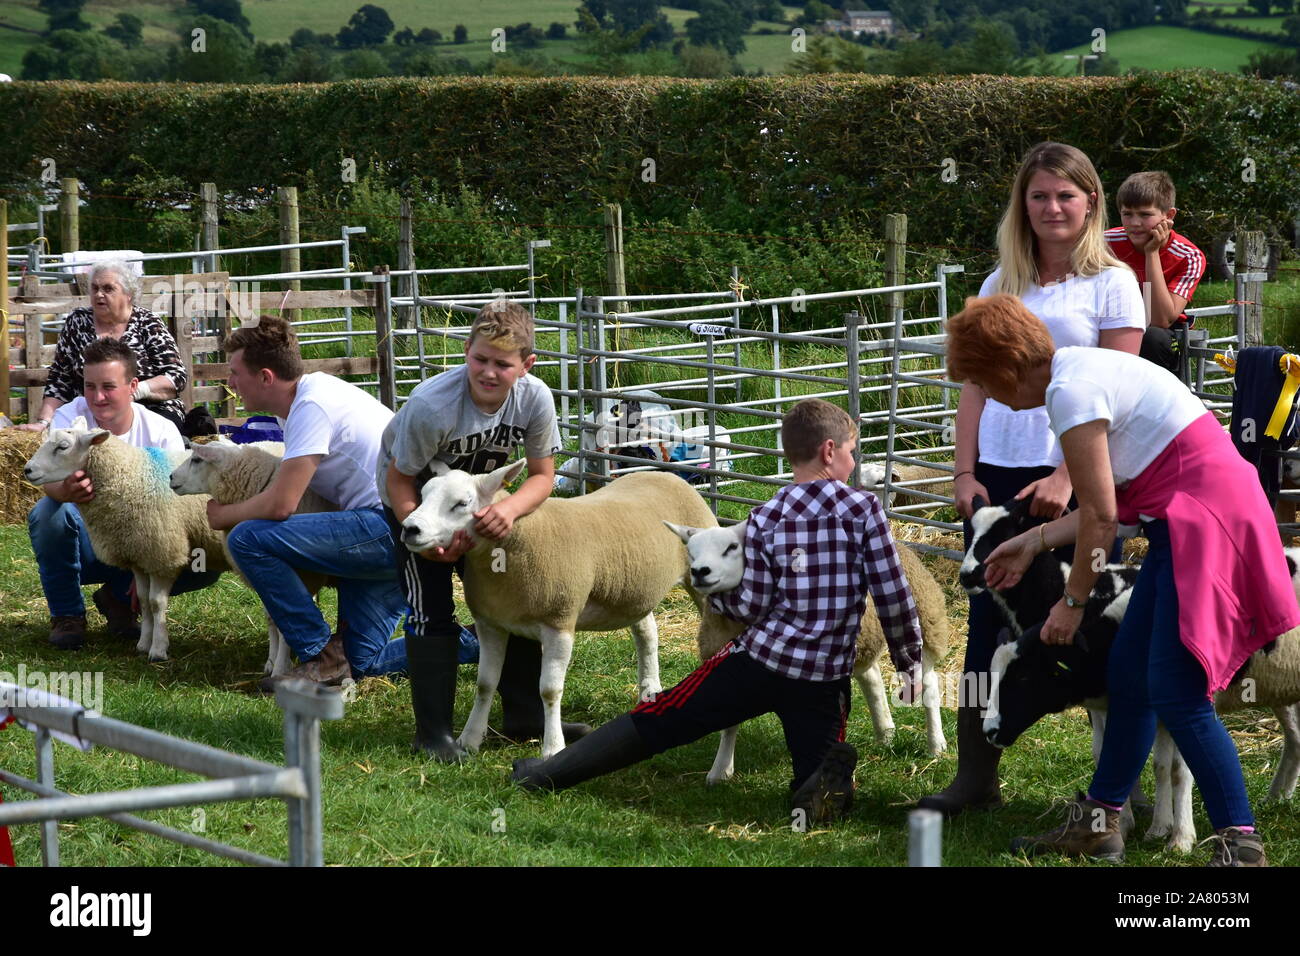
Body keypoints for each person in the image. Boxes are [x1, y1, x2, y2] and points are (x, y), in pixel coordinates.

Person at [947, 293, 1296, 866]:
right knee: (1131, 676)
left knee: (1179, 694)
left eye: (988, 384)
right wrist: (1029, 541)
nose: (999, 403)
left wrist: (1072, 602)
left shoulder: (1070, 391)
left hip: (1204, 526)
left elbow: (1105, 520)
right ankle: (1099, 824)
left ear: (1007, 366)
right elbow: (1111, 508)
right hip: (1182, 523)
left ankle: (1242, 844)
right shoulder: (1080, 371)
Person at [510, 399, 924, 822]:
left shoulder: (766, 516)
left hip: (759, 660)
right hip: (823, 678)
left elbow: (752, 603)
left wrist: (719, 599)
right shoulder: (864, 511)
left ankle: (547, 774)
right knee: (815, 762)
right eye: (853, 451)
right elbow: (892, 593)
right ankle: (820, 786)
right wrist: (908, 660)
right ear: (830, 450)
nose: (854, 461)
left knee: (665, 714)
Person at [919, 142, 1147, 817]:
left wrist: (1066, 476)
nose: (1052, 208)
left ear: (1091, 203)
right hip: (995, 479)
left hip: (1074, 479)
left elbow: (1116, 390)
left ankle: (1119, 786)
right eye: (1039, 196)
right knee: (988, 620)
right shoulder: (1000, 283)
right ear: (1023, 204)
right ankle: (974, 776)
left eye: (1065, 196)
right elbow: (972, 384)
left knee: (1092, 617)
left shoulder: (1115, 283)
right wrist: (962, 470)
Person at [378, 298, 590, 761]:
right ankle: (433, 733)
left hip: (486, 507)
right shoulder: (433, 406)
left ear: (526, 365)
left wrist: (510, 510)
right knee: (430, 607)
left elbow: (542, 474)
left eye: (502, 364)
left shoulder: (535, 398)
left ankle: (526, 717)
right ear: (465, 354)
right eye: (479, 359)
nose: (489, 372)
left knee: (513, 596)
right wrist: (425, 537)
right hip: (422, 504)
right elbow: (398, 478)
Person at [208, 315, 408, 690]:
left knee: (246, 538)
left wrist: (224, 515)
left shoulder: (311, 407)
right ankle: (484, 640)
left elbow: (282, 504)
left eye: (235, 372)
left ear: (266, 377)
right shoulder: (308, 398)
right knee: (363, 662)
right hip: (397, 530)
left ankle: (320, 654)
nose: (230, 382)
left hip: (386, 526)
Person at [26, 337, 220, 650]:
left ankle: (116, 597)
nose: (98, 397)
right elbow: (48, 479)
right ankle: (67, 615)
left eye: (109, 386)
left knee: (201, 560)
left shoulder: (160, 430)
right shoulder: (69, 419)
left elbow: (180, 505)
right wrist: (65, 490)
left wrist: (151, 563)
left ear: (133, 386)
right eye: (89, 386)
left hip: (147, 538)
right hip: (92, 539)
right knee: (47, 513)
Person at [17, 259, 190, 434]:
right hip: (90, 413)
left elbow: (175, 376)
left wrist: (133, 393)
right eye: (95, 288)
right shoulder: (77, 322)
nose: (99, 294)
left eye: (108, 288)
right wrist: (45, 422)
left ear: (128, 294)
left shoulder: (148, 323)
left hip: (151, 411)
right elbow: (60, 379)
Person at [1103, 171, 1207, 374]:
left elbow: (1160, 320)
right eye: (1127, 214)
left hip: (1159, 335)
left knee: (1152, 336)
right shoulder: (1103, 242)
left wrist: (1152, 253)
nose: (1134, 223)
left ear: (1168, 216)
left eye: (1145, 215)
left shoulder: (1189, 256)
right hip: (1112, 322)